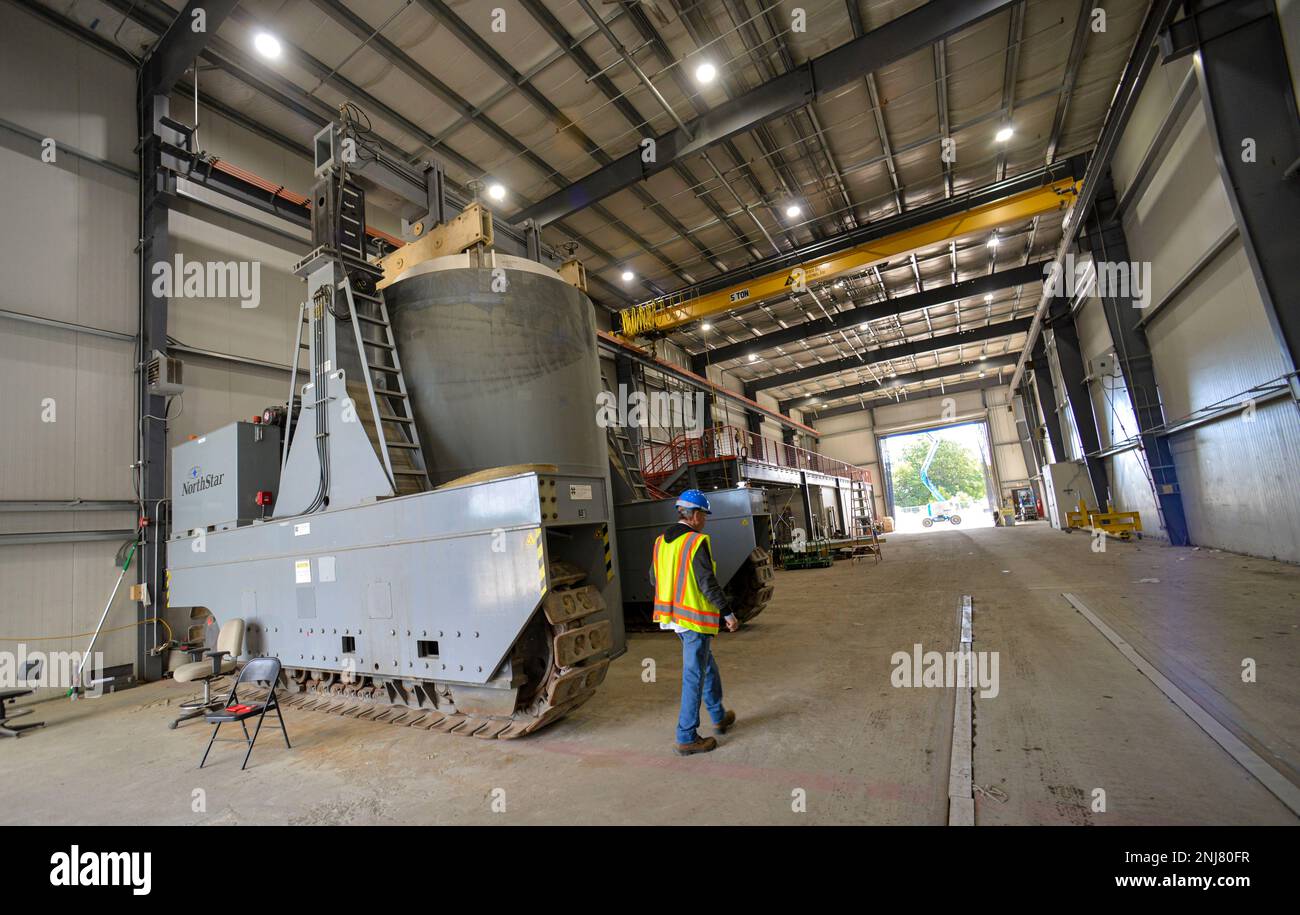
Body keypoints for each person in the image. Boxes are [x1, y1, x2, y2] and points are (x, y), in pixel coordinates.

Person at [649, 489, 739, 756]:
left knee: (705, 664)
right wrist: (728, 613)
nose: (706, 521)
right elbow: (707, 584)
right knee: (694, 675)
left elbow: (654, 579)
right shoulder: (695, 542)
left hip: (674, 618)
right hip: (694, 619)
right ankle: (686, 736)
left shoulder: (660, 542)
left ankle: (718, 715)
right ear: (696, 515)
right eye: (705, 515)